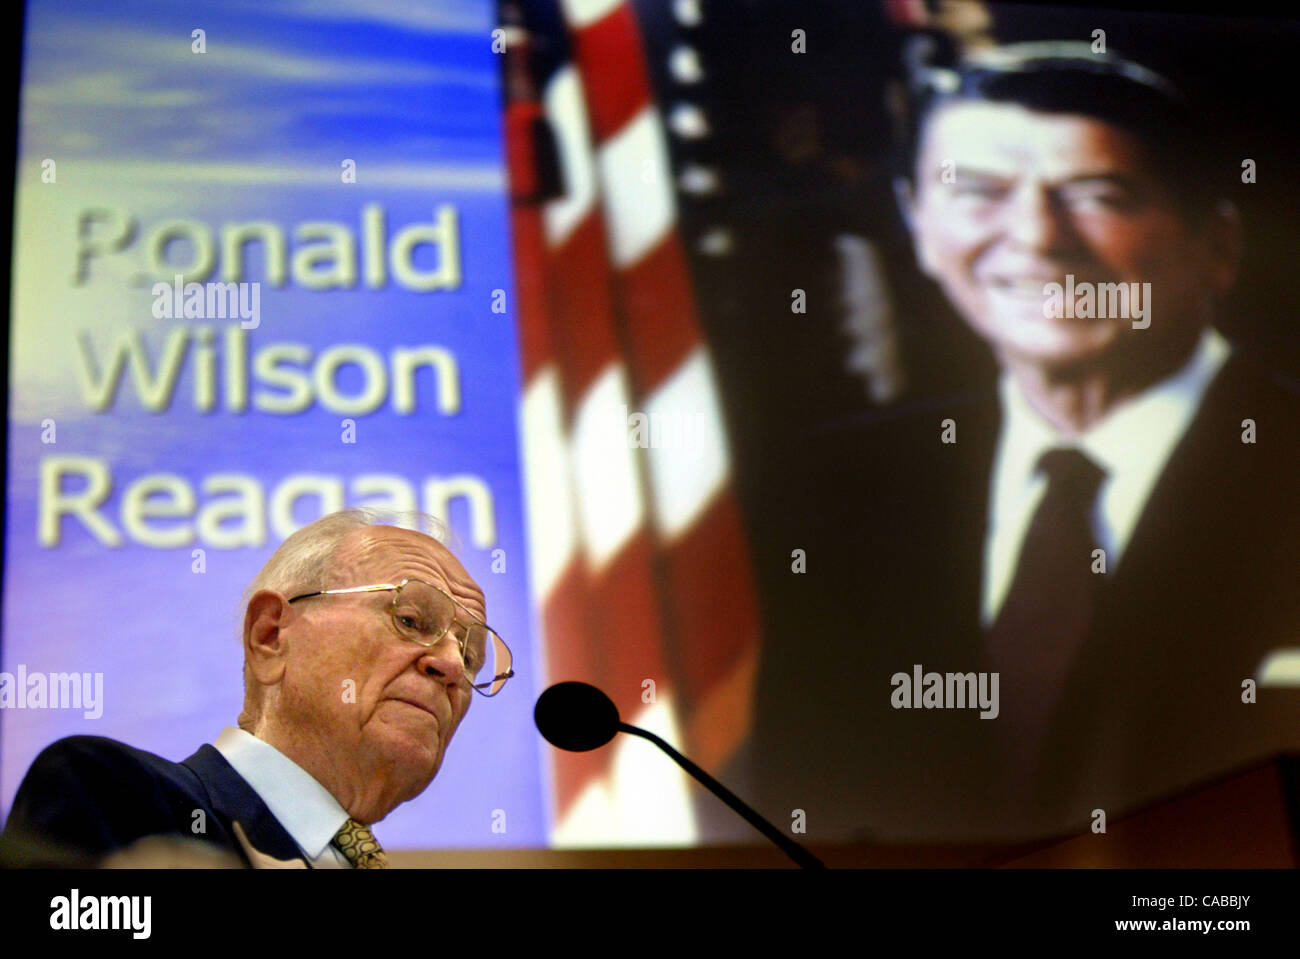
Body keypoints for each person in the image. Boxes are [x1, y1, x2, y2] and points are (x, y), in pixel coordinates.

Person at [750, 41, 1300, 842]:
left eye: (1098, 194)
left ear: (1216, 245)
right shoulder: (837, 488)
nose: (1037, 237)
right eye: (978, 193)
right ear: (918, 223)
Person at [0, 509, 513, 867]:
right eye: (410, 618)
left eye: (471, 658)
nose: (450, 664)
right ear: (270, 636)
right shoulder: (115, 799)